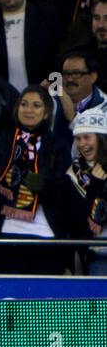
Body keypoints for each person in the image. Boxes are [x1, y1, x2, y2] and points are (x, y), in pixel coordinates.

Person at [0, 86, 72, 276]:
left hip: (46, 236)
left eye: (36, 105)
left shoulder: (58, 146)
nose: (29, 110)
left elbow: (67, 195)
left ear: (47, 113)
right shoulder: (2, 142)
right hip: (6, 235)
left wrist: (45, 186)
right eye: (24, 104)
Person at [65, 106, 107, 275]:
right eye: (78, 138)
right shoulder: (73, 173)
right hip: (97, 254)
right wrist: (95, 185)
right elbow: (80, 219)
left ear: (101, 139)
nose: (82, 144)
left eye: (87, 137)